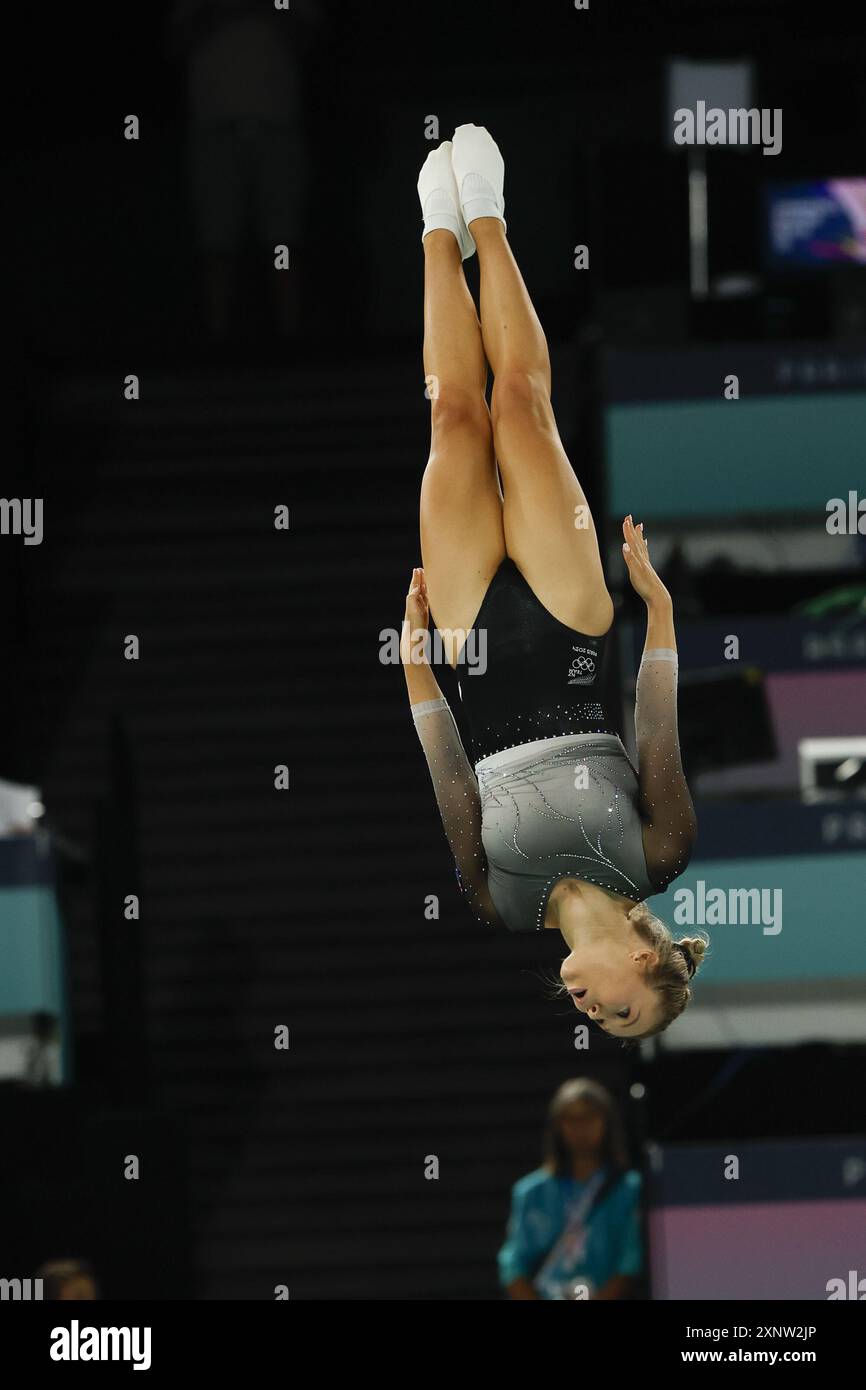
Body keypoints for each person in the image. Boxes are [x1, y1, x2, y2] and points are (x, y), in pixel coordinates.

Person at [401, 125, 704, 1038]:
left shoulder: (498, 905)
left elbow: (454, 785)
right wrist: (657, 613)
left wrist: (417, 670)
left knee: (454, 422)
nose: (590, 1011)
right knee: (520, 407)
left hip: (472, 644)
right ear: (645, 959)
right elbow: (656, 730)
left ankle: (435, 231)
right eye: (619, 1011)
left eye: (601, 1023)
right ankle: (488, 215)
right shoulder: (661, 856)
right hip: (572, 630)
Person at [498, 1078, 644, 1300]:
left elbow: (630, 1263)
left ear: (607, 1123)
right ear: (557, 1126)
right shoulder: (530, 1192)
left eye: (589, 1117)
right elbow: (512, 1264)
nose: (580, 1127)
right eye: (570, 1119)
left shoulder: (628, 1188)